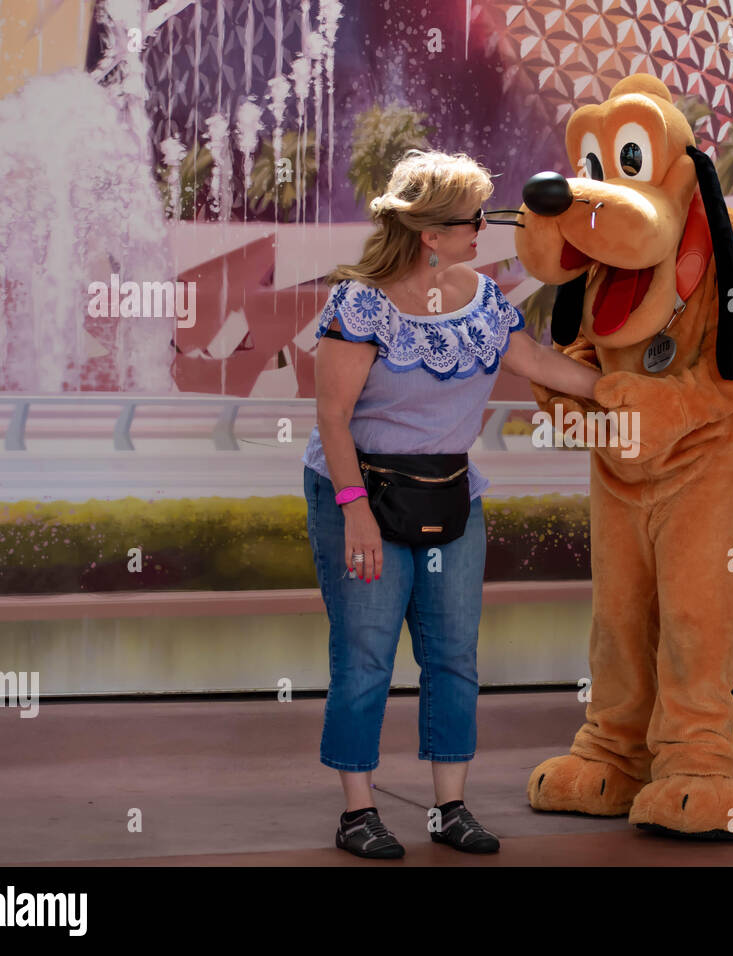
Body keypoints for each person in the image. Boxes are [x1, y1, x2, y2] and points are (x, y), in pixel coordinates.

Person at [302, 149, 599, 858]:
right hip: (361, 490)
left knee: (455, 656)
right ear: (430, 234)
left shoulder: (484, 300)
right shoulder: (359, 303)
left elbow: (540, 365)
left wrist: (624, 392)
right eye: (473, 220)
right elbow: (332, 418)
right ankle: (358, 813)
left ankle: (449, 807)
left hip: (448, 494)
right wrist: (354, 511)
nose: (485, 230)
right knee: (366, 655)